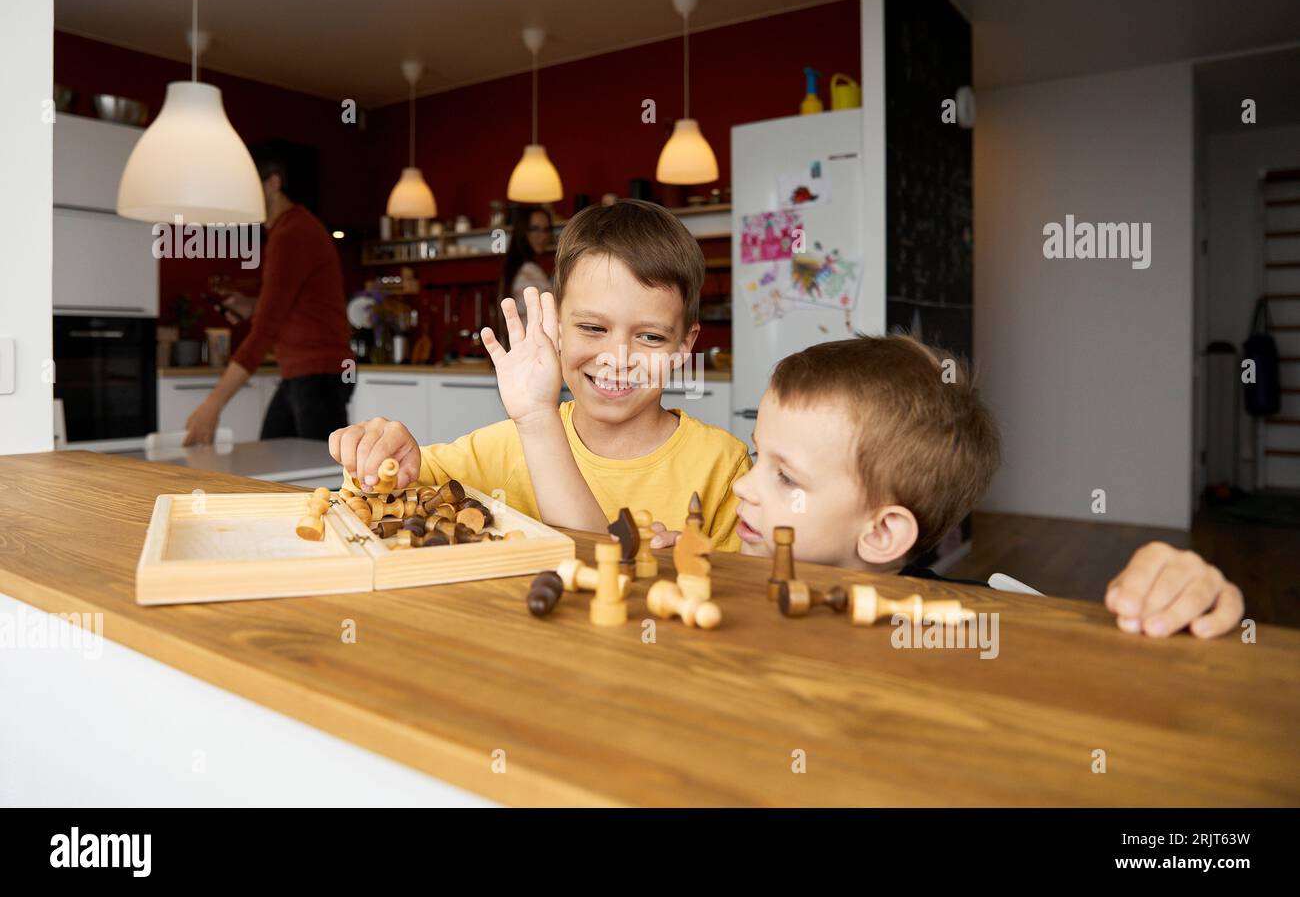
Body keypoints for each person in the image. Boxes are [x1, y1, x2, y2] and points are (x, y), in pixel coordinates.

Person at [651, 333, 1244, 638]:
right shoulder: (733, 573)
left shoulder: (961, 626)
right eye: (757, 457)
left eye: (785, 476)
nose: (744, 488)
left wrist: (1175, 606)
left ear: (882, 532)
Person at [328, 200, 751, 547]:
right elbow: (382, 490)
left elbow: (746, 598)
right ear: (556, 326)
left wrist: (701, 570)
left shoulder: (723, 466)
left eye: (651, 337)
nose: (617, 357)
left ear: (685, 345)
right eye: (592, 328)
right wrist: (378, 454)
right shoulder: (505, 446)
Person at [183, 151, 353, 444]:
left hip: (317, 377)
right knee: (279, 464)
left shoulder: (291, 234)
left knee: (325, 477)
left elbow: (264, 331)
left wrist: (213, 404)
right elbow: (290, 307)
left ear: (272, 183)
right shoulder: (293, 229)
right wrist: (251, 306)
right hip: (307, 374)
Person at [499, 206, 553, 333]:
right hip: (533, 343)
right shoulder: (528, 270)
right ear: (522, 232)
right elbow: (552, 311)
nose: (542, 236)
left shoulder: (515, 269)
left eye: (546, 230)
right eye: (535, 229)